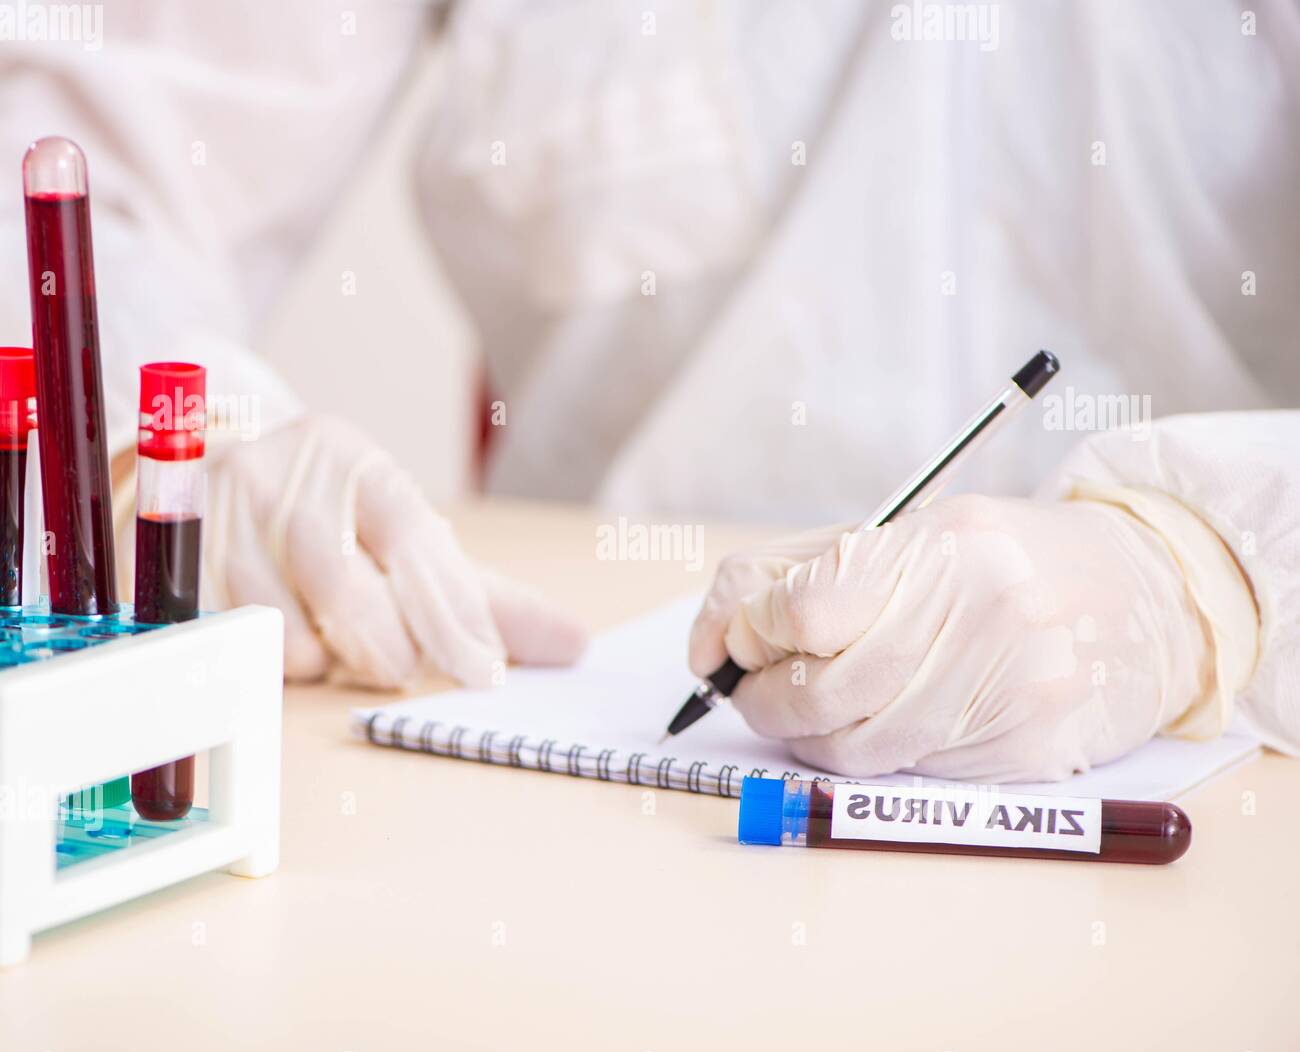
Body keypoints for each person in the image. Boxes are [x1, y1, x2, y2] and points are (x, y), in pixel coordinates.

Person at [0, 1, 1295, 780]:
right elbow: (99, 143)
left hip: (1233, 776)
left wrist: (1203, 571)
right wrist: (166, 446)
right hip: (588, 778)